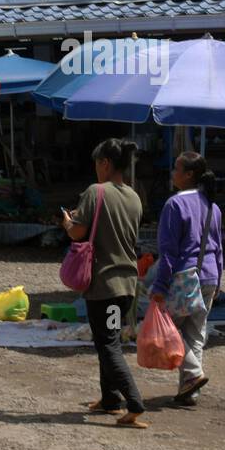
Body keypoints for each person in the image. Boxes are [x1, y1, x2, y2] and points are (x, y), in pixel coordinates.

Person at [62, 138, 146, 429]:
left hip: (104, 286)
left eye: (97, 163)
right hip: (126, 285)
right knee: (105, 340)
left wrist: (67, 223)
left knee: (109, 345)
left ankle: (134, 402)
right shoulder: (134, 197)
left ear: (105, 163)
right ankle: (110, 398)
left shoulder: (95, 192)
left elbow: (78, 233)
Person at [151, 151, 223, 406]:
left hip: (184, 277)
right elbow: (219, 247)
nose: (173, 173)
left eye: (176, 168)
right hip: (209, 276)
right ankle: (189, 391)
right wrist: (219, 281)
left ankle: (193, 374)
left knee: (169, 329)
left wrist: (159, 285)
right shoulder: (212, 206)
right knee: (195, 333)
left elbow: (168, 252)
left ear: (189, 174)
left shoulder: (175, 205)